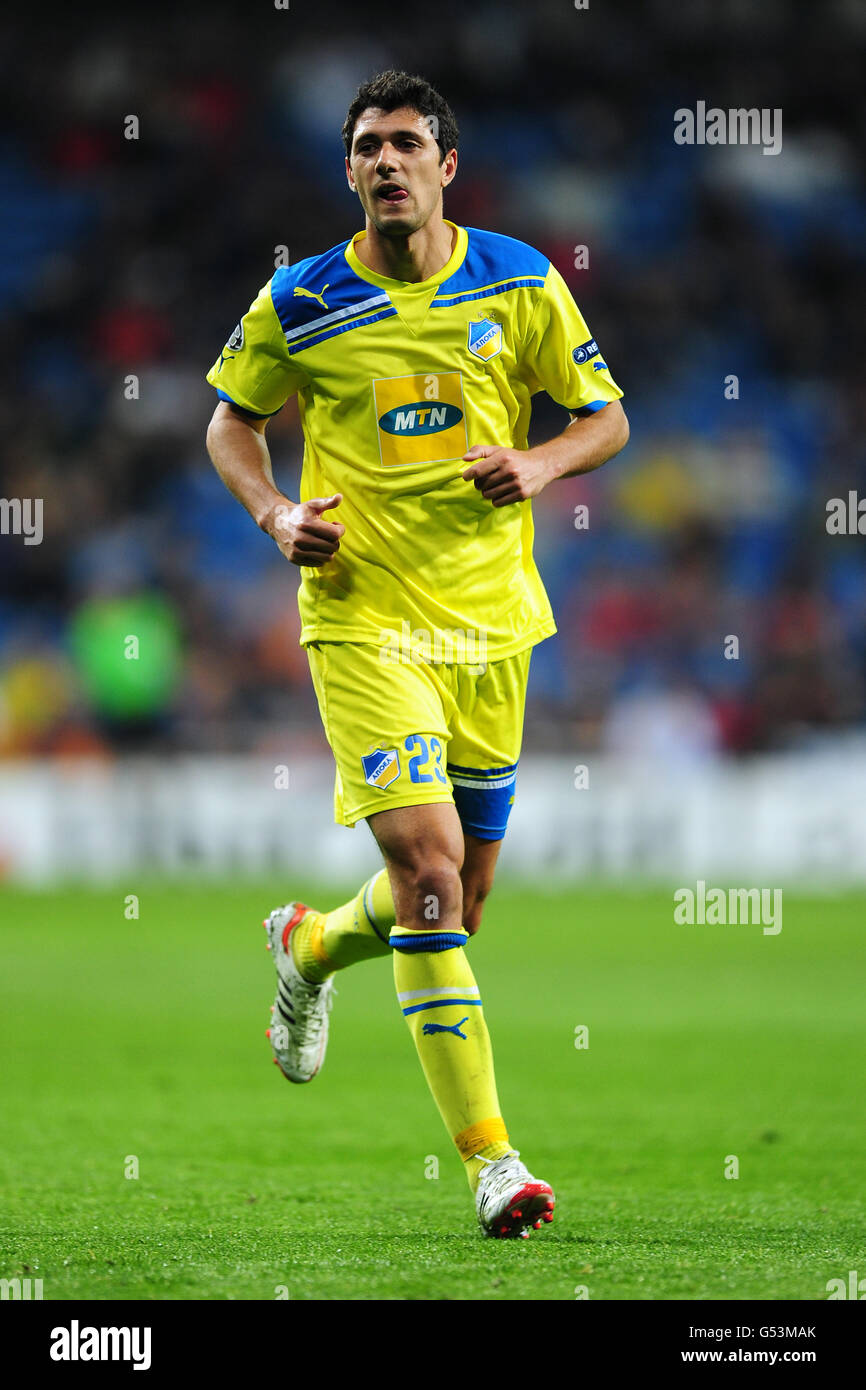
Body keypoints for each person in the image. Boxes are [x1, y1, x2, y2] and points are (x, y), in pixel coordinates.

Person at [205, 68, 628, 1238]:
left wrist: (540, 465)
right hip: (360, 616)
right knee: (429, 865)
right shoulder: (298, 300)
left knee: (458, 899)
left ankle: (311, 944)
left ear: (447, 165)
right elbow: (228, 424)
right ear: (346, 173)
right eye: (365, 147)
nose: (386, 161)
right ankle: (494, 1163)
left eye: (406, 143)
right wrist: (276, 517)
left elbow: (605, 416)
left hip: (491, 624)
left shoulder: (521, 280)